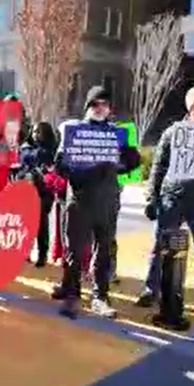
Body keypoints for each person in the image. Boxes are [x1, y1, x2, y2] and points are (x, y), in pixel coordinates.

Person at [136, 84, 194, 322]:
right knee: (161, 247)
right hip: (172, 198)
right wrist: (152, 198)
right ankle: (152, 289)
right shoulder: (173, 132)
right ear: (192, 106)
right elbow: (159, 166)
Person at [55, 86, 140, 319]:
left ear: (110, 108)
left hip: (107, 201)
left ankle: (100, 297)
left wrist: (130, 157)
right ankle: (72, 296)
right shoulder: (74, 132)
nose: (100, 108)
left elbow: (130, 164)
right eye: (95, 104)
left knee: (104, 250)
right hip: (80, 200)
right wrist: (74, 170)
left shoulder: (116, 134)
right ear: (88, 107)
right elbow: (60, 164)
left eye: (104, 103)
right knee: (75, 250)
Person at [19, 122, 58, 267]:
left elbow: (51, 166)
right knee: (26, 223)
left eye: (39, 132)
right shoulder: (26, 148)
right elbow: (22, 162)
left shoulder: (50, 150)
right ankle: (26, 252)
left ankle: (42, 253)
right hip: (27, 189)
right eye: (34, 132)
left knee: (41, 222)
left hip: (44, 191)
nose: (36, 135)